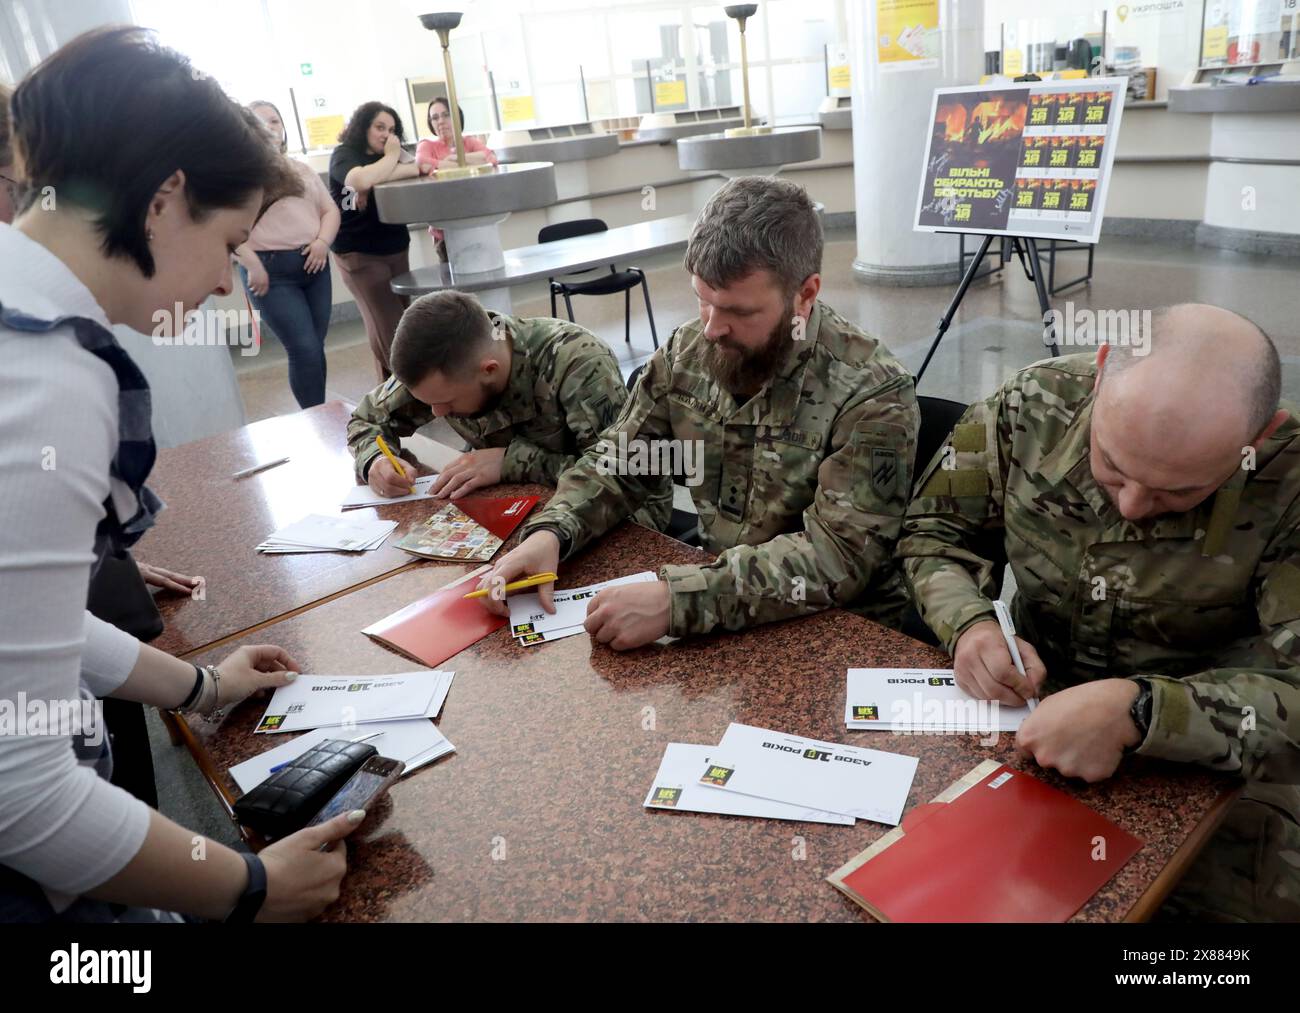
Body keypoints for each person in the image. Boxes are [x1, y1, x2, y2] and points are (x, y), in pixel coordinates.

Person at [0, 26, 363, 923]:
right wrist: (250, 887)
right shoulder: (47, 377)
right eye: (231, 241)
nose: (222, 285)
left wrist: (203, 686)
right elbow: (25, 791)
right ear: (166, 198)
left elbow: (30, 631)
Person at [898, 304, 1300, 922]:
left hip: (1210, 764)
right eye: (1111, 466)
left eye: (1180, 493)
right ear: (1103, 370)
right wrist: (971, 625)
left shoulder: (1290, 483)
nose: (1136, 505)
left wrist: (1145, 712)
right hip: (1024, 717)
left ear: (1259, 437)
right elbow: (935, 533)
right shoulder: (1029, 404)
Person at [476, 176, 919, 650]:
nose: (711, 328)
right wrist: (552, 532)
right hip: (725, 604)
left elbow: (838, 558)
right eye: (701, 300)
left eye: (737, 310)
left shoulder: (872, 391)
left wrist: (678, 601)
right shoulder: (687, 351)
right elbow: (625, 461)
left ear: (805, 294)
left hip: (842, 631)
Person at [347, 290, 671, 529]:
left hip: (624, 516)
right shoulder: (441, 362)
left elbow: (620, 479)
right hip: (516, 506)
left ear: (488, 370)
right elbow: (366, 419)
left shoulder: (576, 363)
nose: (437, 413)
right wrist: (374, 460)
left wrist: (513, 462)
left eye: (447, 402)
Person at [231, 100, 340, 408]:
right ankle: (314, 414)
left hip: (315, 267)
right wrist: (252, 264)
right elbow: (223, 228)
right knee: (303, 348)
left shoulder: (301, 169)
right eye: (260, 122)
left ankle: (319, 415)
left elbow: (329, 210)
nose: (269, 127)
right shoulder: (239, 176)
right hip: (270, 274)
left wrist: (321, 242)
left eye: (275, 121)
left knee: (315, 348)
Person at [329, 102, 431, 381]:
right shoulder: (344, 155)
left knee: (402, 320)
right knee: (390, 325)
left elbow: (419, 168)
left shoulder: (385, 158)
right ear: (363, 127)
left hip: (395, 246)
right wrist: (392, 158)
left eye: (392, 129)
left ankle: (391, 391)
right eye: (379, 127)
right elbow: (358, 181)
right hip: (359, 254)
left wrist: (380, 172)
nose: (386, 134)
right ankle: (414, 386)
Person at [415, 97, 497, 263]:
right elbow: (422, 164)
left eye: (446, 115)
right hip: (445, 230)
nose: (441, 121)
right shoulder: (427, 145)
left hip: (477, 221)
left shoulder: (469, 142)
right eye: (435, 117)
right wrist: (463, 162)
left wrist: (452, 158)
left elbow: (490, 158)